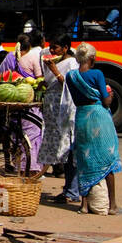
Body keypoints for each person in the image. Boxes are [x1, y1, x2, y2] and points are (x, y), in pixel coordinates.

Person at [66, 42, 122, 215]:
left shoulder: (70, 76)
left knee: (84, 160)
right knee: (108, 159)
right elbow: (106, 101)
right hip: (99, 117)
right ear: (92, 58)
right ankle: (112, 205)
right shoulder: (97, 73)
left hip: (82, 117)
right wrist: (110, 96)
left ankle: (83, 205)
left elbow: (76, 99)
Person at [38, 34, 81, 205]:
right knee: (62, 152)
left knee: (69, 151)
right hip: (53, 113)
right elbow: (52, 83)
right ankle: (69, 189)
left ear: (65, 48)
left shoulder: (71, 63)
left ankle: (72, 191)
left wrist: (55, 71)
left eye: (55, 47)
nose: (52, 50)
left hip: (65, 112)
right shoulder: (53, 62)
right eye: (51, 47)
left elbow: (70, 85)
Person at [0, 32, 45, 171]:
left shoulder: (9, 57)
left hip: (12, 102)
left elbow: (0, 76)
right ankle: (32, 168)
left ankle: (16, 164)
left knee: (15, 135)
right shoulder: (33, 57)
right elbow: (40, 79)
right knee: (33, 135)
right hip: (28, 103)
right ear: (30, 45)